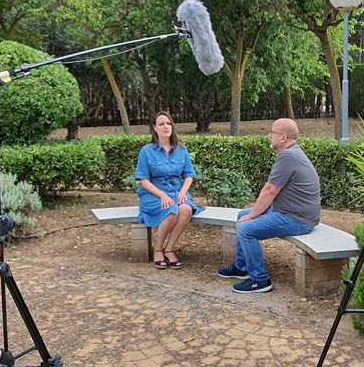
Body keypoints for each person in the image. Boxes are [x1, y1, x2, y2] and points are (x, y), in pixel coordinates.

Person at [216, 118, 321, 294]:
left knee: (246, 228)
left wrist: (252, 216)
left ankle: (260, 279)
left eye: (273, 133)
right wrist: (250, 214)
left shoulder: (288, 156)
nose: (269, 135)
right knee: (242, 214)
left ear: (283, 138)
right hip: (289, 211)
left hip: (297, 218)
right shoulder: (292, 153)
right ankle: (242, 267)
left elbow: (270, 190)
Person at [135, 111, 203, 268]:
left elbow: (189, 175)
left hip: (177, 191)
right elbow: (143, 180)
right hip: (153, 193)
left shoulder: (181, 149)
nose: (166, 127)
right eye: (161, 124)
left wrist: (183, 192)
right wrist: (162, 195)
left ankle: (169, 249)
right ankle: (158, 249)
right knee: (172, 210)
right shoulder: (146, 151)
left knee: (185, 209)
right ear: (154, 128)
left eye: (168, 123)